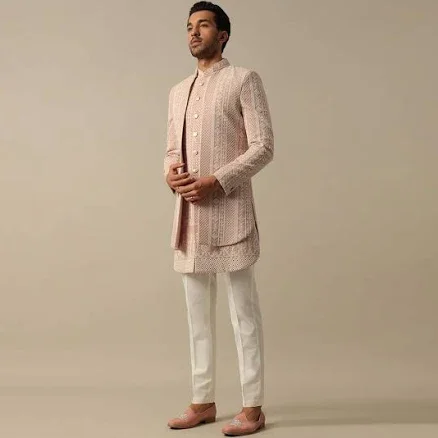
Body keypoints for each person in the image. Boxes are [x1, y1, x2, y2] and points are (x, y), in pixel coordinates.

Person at [163, 1, 274, 435]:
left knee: (243, 314)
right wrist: (171, 174)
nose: (193, 33)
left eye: (203, 25)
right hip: (189, 216)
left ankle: (252, 407)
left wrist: (217, 180)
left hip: (231, 213)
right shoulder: (177, 91)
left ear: (222, 35)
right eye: (189, 26)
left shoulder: (244, 80)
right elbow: (171, 150)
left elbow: (263, 146)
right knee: (197, 317)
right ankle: (202, 401)